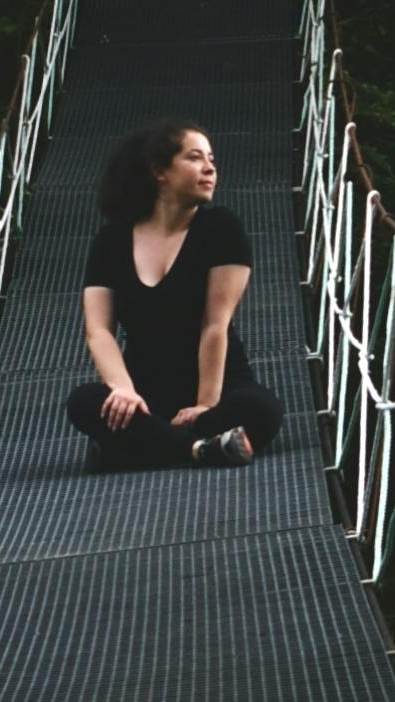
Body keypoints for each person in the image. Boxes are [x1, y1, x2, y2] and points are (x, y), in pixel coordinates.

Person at [65, 121, 285, 469]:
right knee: (83, 402)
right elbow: (99, 330)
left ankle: (138, 446)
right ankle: (200, 449)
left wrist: (205, 405)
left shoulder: (222, 228)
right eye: (195, 158)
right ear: (159, 172)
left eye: (211, 159)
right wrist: (123, 390)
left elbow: (215, 323)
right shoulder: (112, 241)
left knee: (261, 409)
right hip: (146, 392)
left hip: (218, 385)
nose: (210, 168)